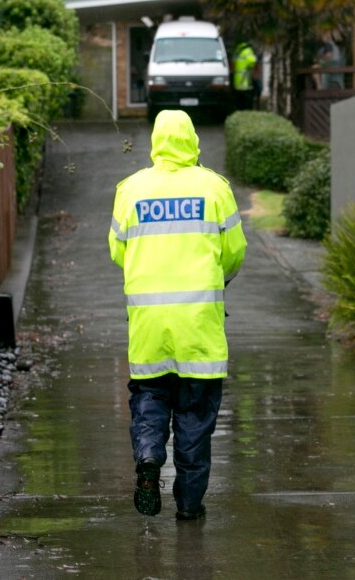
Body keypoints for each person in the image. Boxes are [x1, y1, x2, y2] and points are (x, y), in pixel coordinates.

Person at [108, 109, 247, 521]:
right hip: (200, 328)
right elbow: (235, 252)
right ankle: (189, 504)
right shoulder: (215, 188)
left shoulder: (130, 189)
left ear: (155, 140)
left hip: (149, 327)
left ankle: (149, 456)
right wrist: (213, 281)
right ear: (192, 140)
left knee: (150, 399)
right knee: (195, 417)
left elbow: (118, 251)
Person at [231, 40, 259, 110]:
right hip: (246, 84)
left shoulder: (237, 50)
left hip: (237, 84)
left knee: (239, 106)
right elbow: (254, 61)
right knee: (247, 106)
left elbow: (233, 63)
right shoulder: (248, 51)